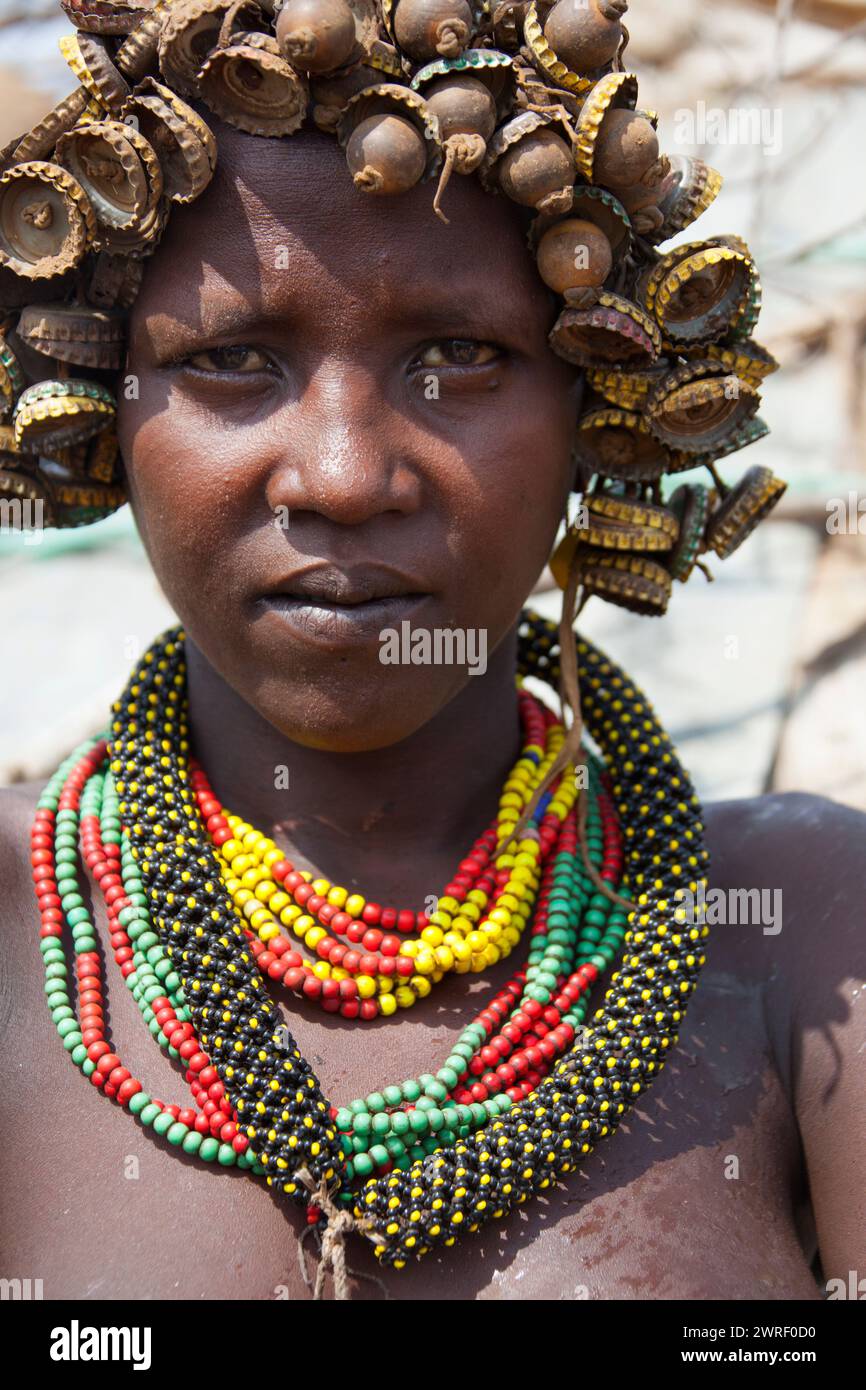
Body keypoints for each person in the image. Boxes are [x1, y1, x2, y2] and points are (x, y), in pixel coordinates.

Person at [0, 1, 863, 1303]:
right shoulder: (17, 933)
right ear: (103, 422)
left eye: (459, 356)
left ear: (594, 412)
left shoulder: (804, 930)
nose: (345, 477)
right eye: (232, 358)